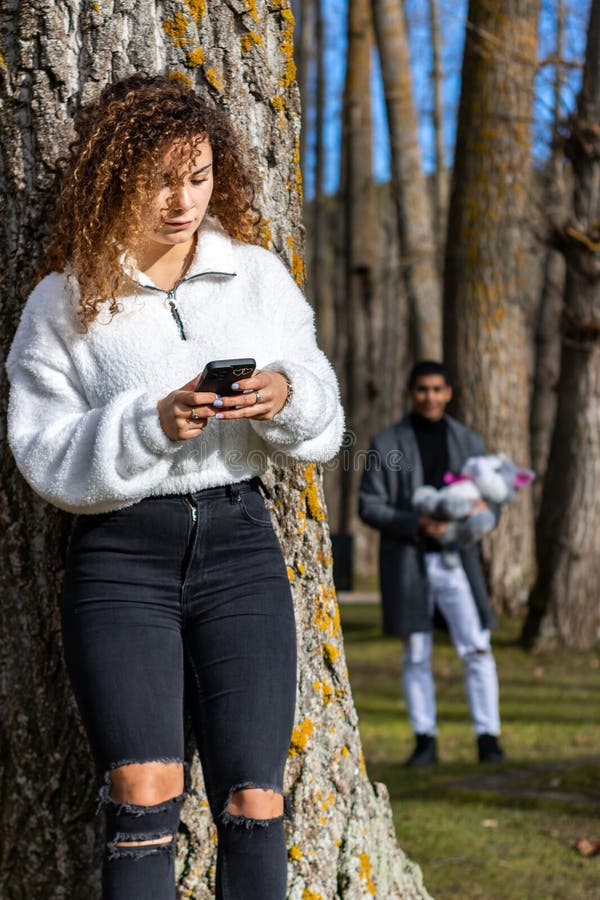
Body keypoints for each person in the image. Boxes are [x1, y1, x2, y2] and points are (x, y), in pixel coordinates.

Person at [6, 74, 344, 900]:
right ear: (114, 174)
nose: (181, 200)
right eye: (159, 178)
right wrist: (151, 422)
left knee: (257, 798)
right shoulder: (64, 301)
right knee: (141, 793)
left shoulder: (256, 278)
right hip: (121, 559)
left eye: (197, 177)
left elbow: (325, 415)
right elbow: (41, 451)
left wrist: (286, 397)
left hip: (241, 549)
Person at [358, 361, 504, 766]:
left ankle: (488, 737)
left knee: (477, 647)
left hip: (460, 562)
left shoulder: (470, 443)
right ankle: (425, 739)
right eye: (422, 389)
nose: (430, 397)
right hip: (410, 560)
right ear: (410, 392)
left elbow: (491, 499)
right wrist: (416, 523)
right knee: (416, 652)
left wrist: (472, 515)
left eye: (438, 389)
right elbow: (369, 506)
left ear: (449, 393)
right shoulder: (387, 443)